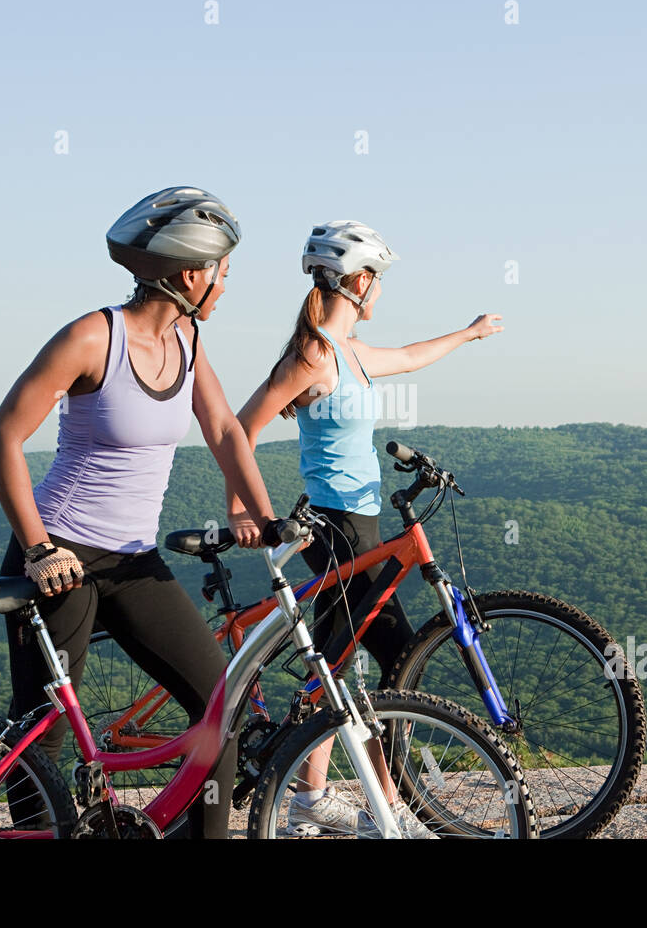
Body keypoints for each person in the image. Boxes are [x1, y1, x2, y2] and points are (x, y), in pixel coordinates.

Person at [0, 186, 279, 839]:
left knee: (217, 707)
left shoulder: (191, 341)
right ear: (190, 272)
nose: (227, 285)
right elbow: (3, 436)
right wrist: (37, 549)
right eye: (223, 272)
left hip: (132, 558)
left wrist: (267, 517)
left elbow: (225, 428)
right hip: (58, 550)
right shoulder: (93, 338)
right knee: (46, 731)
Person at [226, 219, 502, 834]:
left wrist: (469, 333)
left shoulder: (348, 353)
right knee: (392, 657)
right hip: (336, 529)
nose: (380, 291)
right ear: (357, 281)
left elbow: (409, 356)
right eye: (377, 279)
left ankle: (310, 798)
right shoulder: (312, 356)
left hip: (362, 526)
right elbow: (239, 428)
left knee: (337, 660)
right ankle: (381, 809)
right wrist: (242, 508)